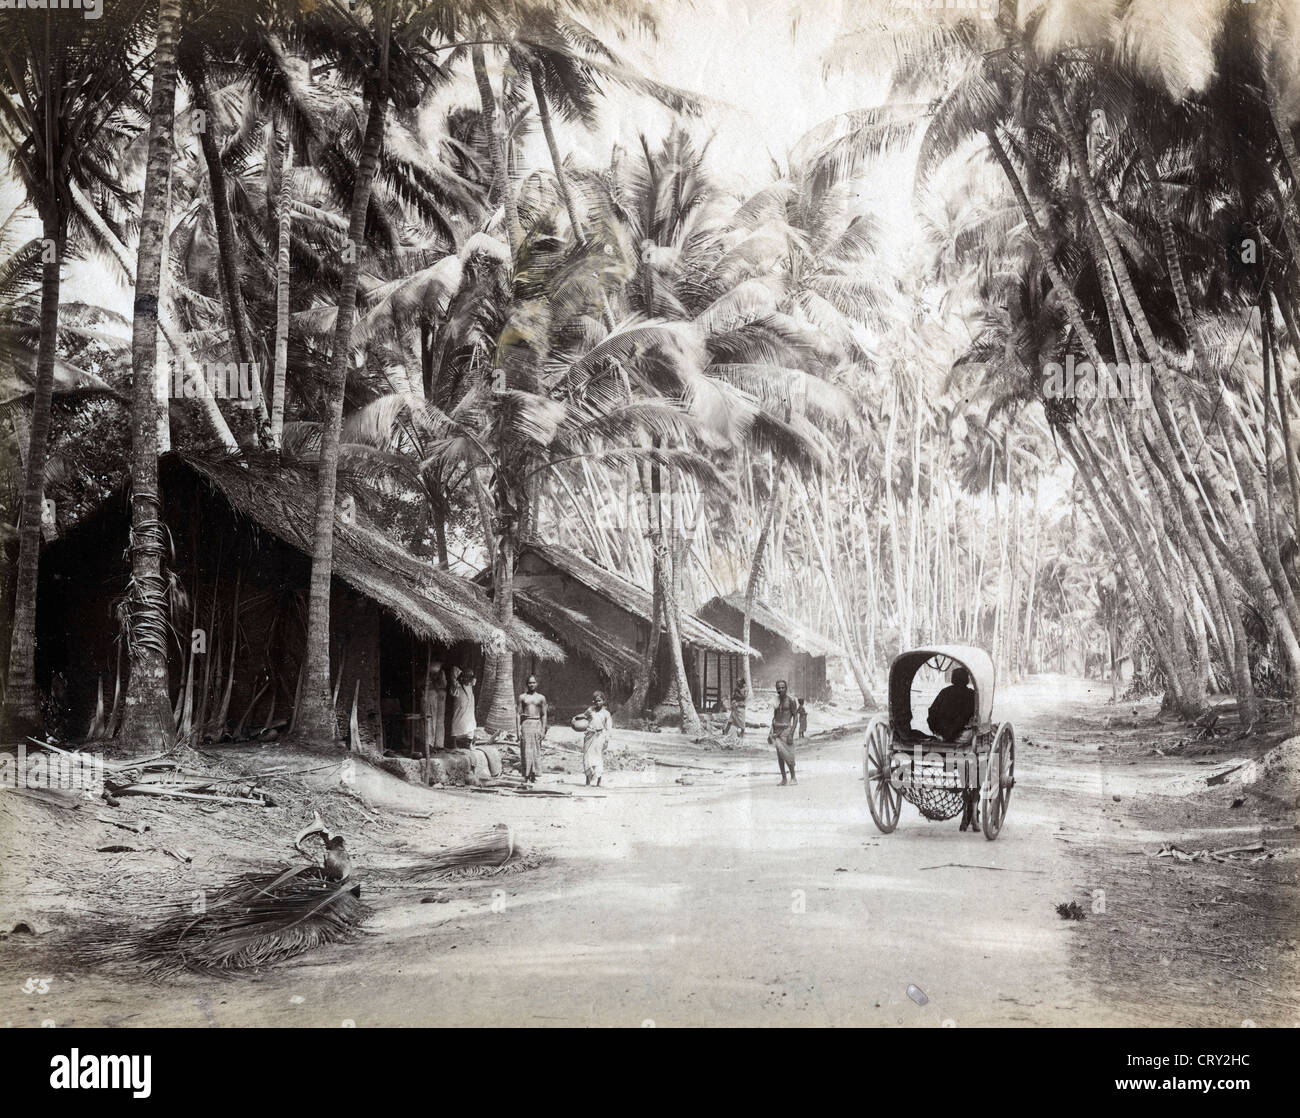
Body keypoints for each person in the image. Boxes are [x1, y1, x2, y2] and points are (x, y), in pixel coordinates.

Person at [928, 666, 975, 742]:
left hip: (942, 731)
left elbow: (932, 711)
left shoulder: (945, 692)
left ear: (952, 679)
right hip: (959, 732)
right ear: (967, 679)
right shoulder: (971, 694)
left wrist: (937, 729)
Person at [516, 675, 548, 783]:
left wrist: (543, 730)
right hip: (526, 724)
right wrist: (518, 730)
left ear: (537, 684)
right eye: (530, 683)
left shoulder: (541, 698)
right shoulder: (522, 697)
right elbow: (518, 714)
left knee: (535, 750)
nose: (532, 685)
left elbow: (544, 715)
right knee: (525, 750)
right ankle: (526, 775)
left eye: (533, 682)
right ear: (527, 684)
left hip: (537, 724)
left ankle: (534, 775)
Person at [577, 691, 613, 787]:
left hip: (600, 736)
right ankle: (587, 781)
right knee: (587, 757)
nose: (597, 703)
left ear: (603, 701)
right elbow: (584, 715)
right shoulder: (590, 710)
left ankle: (599, 781)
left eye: (599, 701)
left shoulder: (606, 713)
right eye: (596, 701)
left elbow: (609, 728)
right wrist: (576, 717)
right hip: (589, 735)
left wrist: (607, 739)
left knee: (598, 757)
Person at [770, 680, 801, 785]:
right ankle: (784, 779)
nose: (780, 689)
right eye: (778, 688)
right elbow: (775, 716)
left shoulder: (791, 700)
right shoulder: (775, 701)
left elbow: (795, 717)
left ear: (786, 688)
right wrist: (771, 730)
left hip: (786, 730)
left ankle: (793, 777)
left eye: (783, 687)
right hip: (777, 731)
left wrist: (791, 733)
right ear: (776, 689)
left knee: (789, 754)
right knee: (780, 755)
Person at [418, 654, 448, 758]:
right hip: (427, 697)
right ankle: (428, 744)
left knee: (434, 721)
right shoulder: (425, 675)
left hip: (434, 697)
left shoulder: (439, 675)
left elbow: (442, 685)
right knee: (428, 721)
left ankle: (432, 744)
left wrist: (435, 679)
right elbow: (419, 685)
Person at [450, 668, 477, 748]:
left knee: (470, 722)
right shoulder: (457, 685)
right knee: (457, 720)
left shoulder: (470, 684)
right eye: (465, 677)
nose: (467, 679)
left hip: (469, 707)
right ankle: (454, 743)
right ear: (462, 677)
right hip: (460, 707)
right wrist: (461, 674)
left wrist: (469, 675)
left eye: (469, 677)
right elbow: (454, 669)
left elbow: (474, 680)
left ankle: (469, 742)